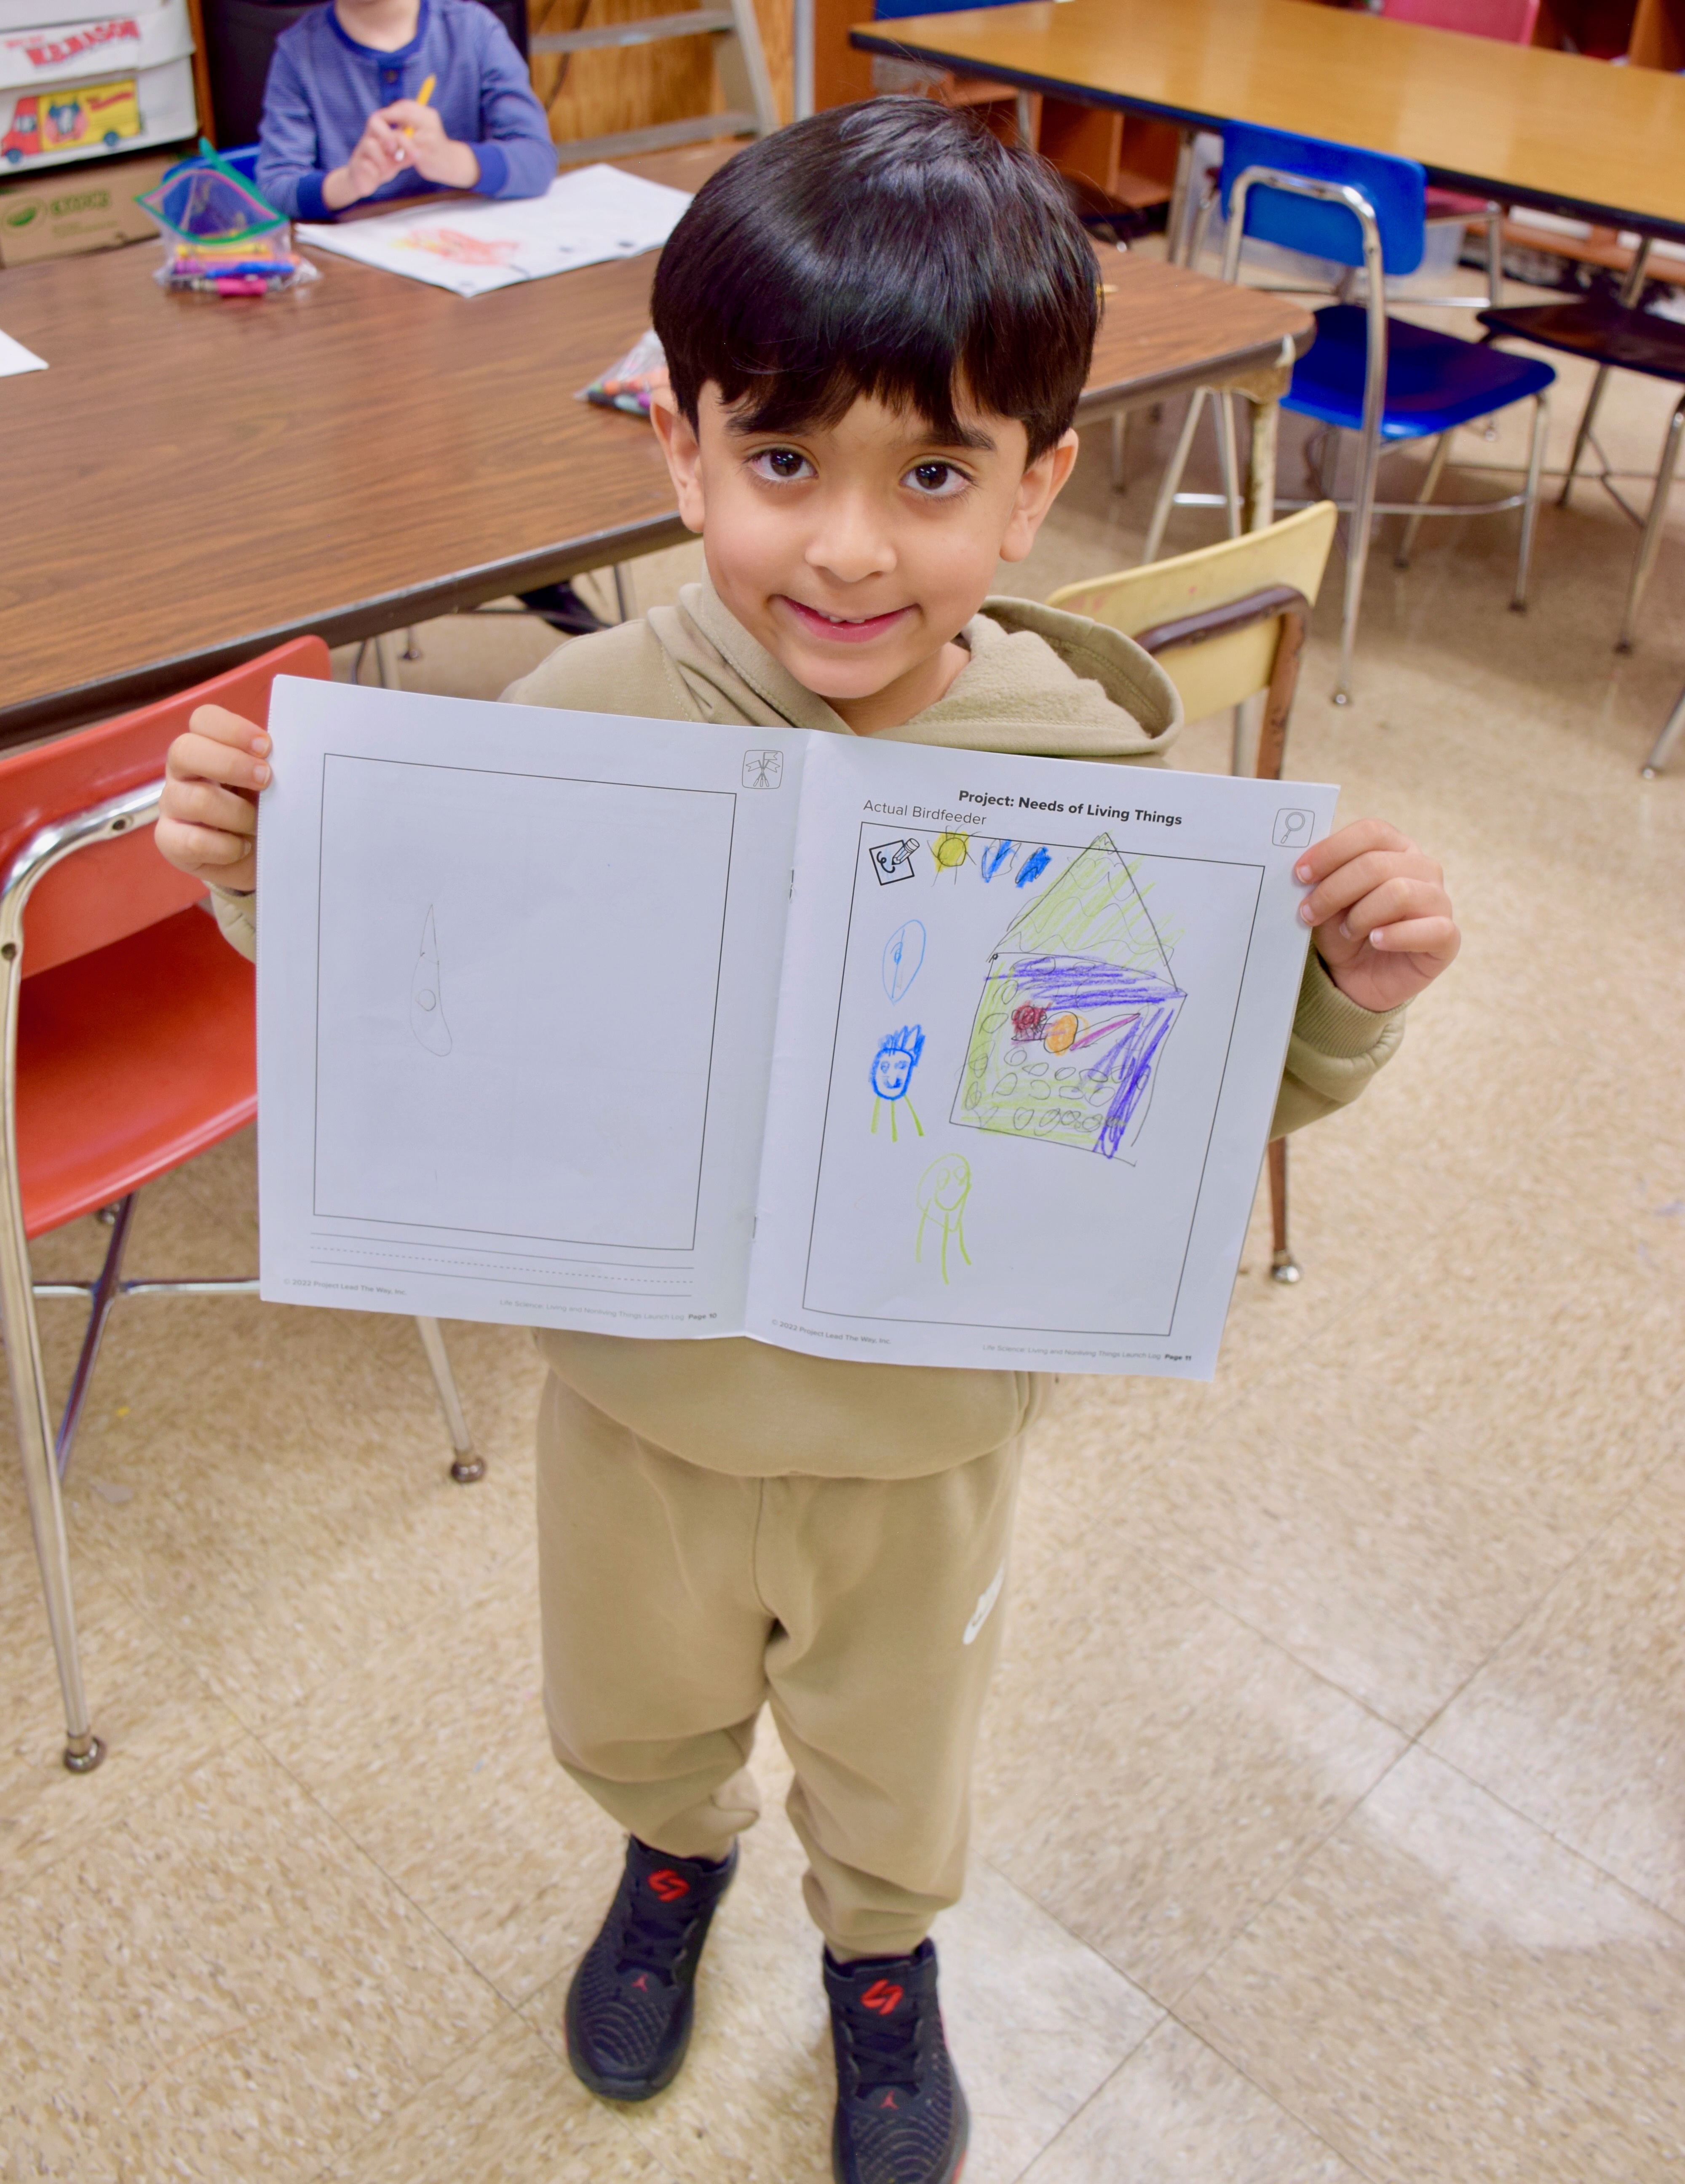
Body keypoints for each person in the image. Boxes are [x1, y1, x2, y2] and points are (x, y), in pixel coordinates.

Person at [156, 101, 1460, 2184]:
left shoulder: (1093, 777)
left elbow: (1170, 1113)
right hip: (638, 1410)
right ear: (677, 448)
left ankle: (879, 1960)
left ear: (1034, 487)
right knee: (632, 1702)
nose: (849, 549)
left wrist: (1333, 1000)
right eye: (780, 462)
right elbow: (422, 1021)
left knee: (897, 1751)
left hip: (919, 1437)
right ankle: (669, 1862)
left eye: (930, 474)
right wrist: (267, 878)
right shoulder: (569, 736)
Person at [255, 0, 557, 222]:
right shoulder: (297, 54)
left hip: (463, 253)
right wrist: (348, 183)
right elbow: (275, 188)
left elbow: (537, 159)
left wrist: (453, 160)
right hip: (358, 270)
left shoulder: (475, 30)